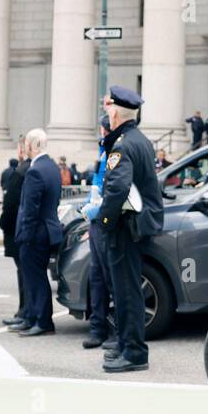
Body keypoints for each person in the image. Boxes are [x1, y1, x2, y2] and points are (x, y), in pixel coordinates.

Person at [97, 86, 163, 373]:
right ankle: (126, 344)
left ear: (114, 113)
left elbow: (117, 188)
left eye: (108, 109)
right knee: (128, 288)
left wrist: (105, 221)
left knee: (126, 291)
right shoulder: (139, 140)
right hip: (135, 225)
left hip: (126, 226)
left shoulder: (123, 144)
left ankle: (134, 352)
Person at [14, 128, 63, 336]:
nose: (24, 148)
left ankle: (42, 321)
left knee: (35, 278)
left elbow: (30, 209)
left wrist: (25, 235)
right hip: (47, 229)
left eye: (26, 144)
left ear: (32, 146)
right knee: (36, 276)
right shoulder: (51, 166)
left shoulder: (35, 171)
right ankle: (33, 317)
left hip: (35, 232)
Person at [79, 114, 114, 349]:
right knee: (97, 279)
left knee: (111, 280)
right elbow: (97, 186)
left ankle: (113, 332)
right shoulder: (104, 151)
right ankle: (98, 328)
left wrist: (94, 212)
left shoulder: (114, 151)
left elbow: (113, 190)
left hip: (106, 222)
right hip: (97, 223)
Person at [0, 136, 31, 328]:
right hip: (21, 229)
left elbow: (11, 204)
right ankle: (24, 310)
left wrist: (4, 224)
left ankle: (25, 311)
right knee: (24, 273)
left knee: (24, 274)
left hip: (16, 230)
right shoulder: (31, 168)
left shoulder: (21, 171)